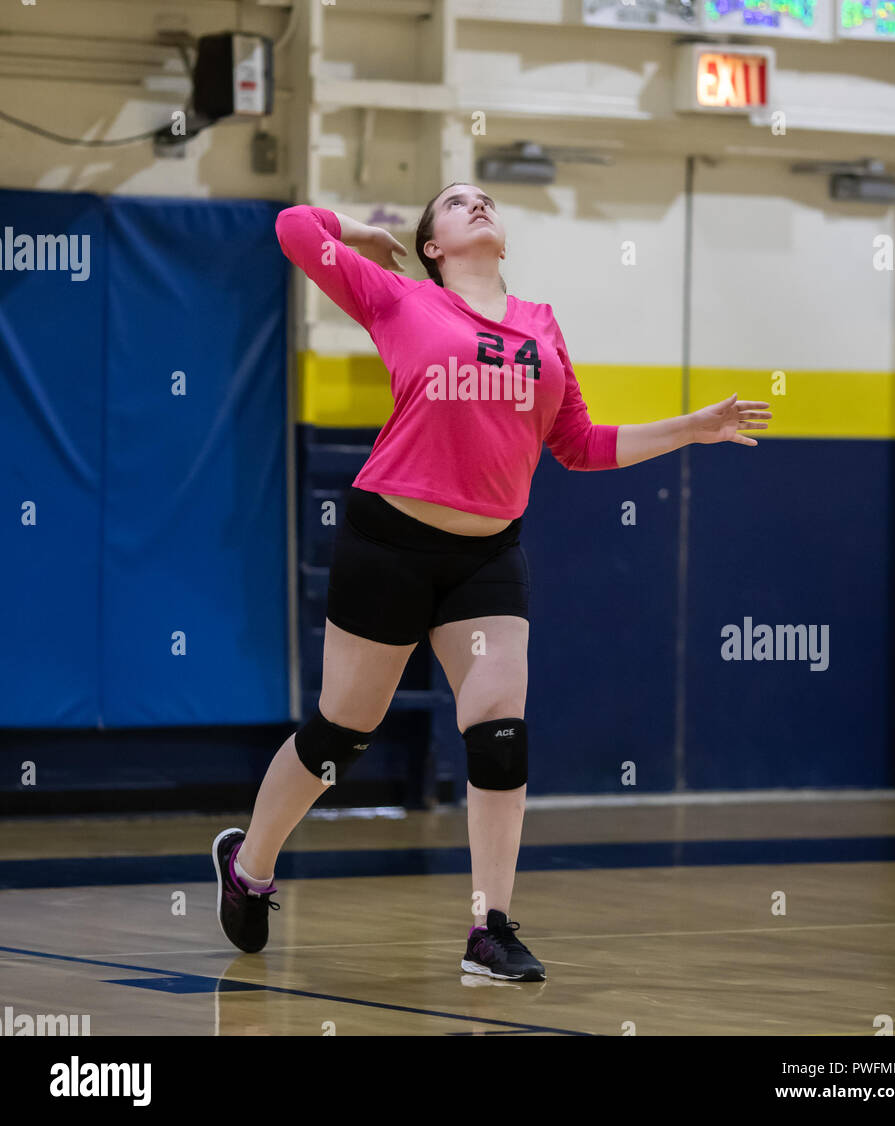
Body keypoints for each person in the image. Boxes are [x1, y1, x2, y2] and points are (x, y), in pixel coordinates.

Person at [213, 182, 771, 981]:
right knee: (344, 733)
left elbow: (577, 444)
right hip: (389, 541)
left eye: (486, 201)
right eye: (455, 203)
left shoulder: (541, 326)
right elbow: (294, 228)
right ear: (433, 244)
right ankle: (250, 866)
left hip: (487, 555)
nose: (477, 205)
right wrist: (362, 234)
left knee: (500, 730)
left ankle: (491, 928)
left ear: (502, 239)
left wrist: (691, 428)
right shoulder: (399, 297)